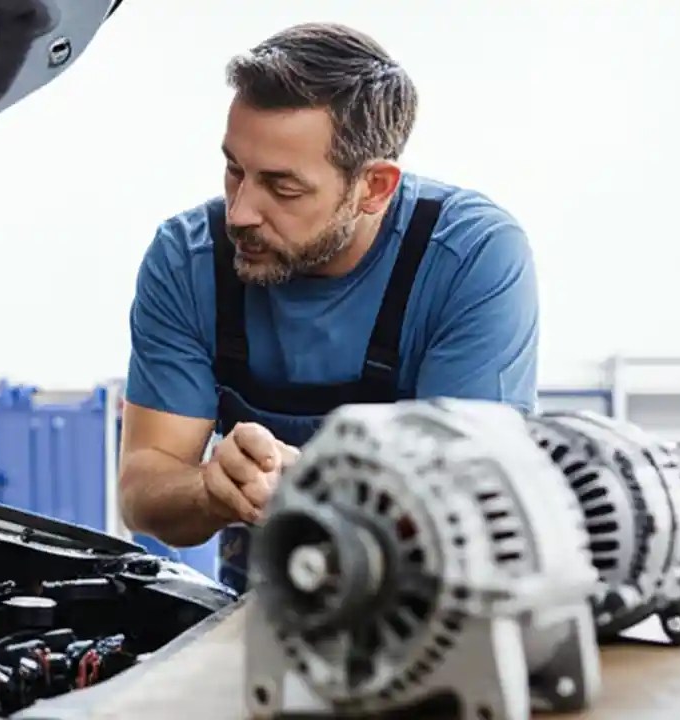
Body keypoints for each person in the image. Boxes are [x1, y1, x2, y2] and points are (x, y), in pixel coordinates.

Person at [116, 22, 540, 593]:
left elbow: (475, 505)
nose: (240, 211)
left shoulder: (471, 259)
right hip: (259, 613)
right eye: (234, 170)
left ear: (375, 187)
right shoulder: (187, 262)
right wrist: (210, 488)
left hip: (426, 615)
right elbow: (144, 491)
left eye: (282, 187)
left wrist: (327, 487)